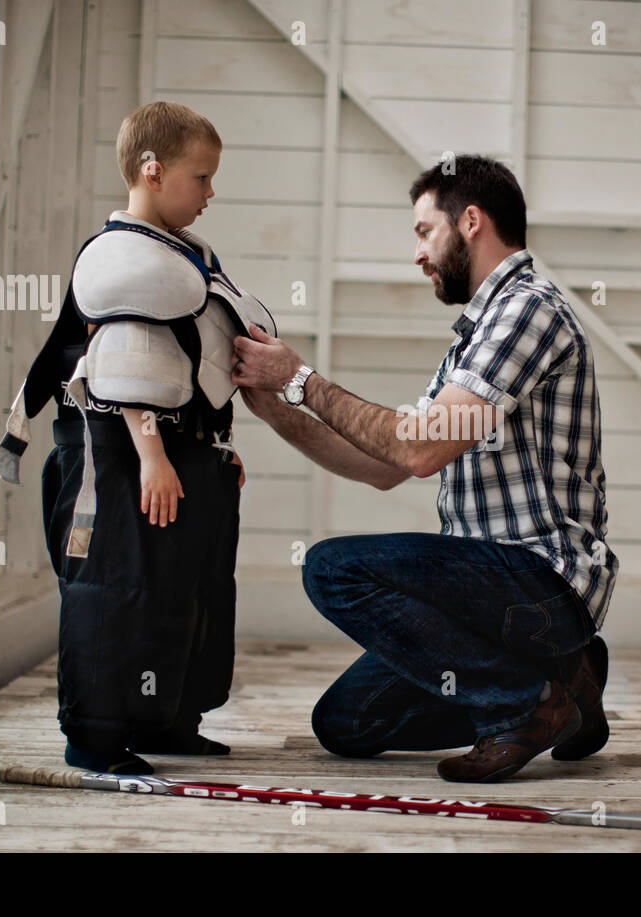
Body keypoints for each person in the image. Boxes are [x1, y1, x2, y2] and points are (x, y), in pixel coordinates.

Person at [232, 154, 617, 784]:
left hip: (541, 581)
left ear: (470, 221)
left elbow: (418, 448)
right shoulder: (472, 339)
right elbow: (386, 464)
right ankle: (566, 689)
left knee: (333, 569)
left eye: (422, 231)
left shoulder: (527, 311)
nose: (417, 254)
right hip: (484, 597)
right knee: (346, 726)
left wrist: (301, 377)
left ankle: (526, 704)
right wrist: (282, 410)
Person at [0, 102, 274, 774]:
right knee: (118, 588)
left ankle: (166, 718)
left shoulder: (183, 254)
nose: (211, 192)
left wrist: (213, 452)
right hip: (125, 452)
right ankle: (95, 736)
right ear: (152, 171)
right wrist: (151, 455)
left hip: (180, 450)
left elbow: (186, 362)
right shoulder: (126, 258)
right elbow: (121, 367)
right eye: (201, 177)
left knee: (187, 589)